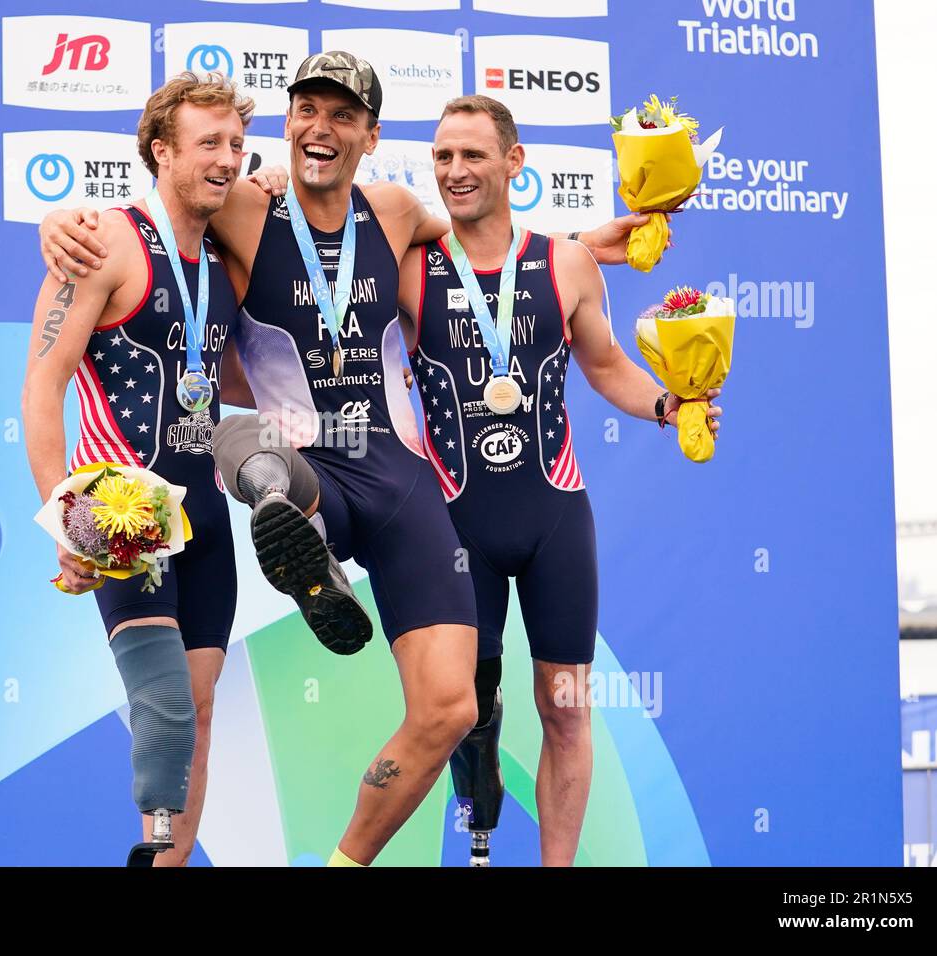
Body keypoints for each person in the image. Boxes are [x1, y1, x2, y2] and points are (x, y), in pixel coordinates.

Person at [38, 55, 659, 867]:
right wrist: (58, 222)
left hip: (396, 476)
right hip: (302, 462)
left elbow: (490, 247)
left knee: (450, 708)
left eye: (341, 116)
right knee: (244, 447)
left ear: (370, 135)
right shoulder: (240, 209)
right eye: (306, 111)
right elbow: (156, 211)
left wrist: (578, 243)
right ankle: (301, 546)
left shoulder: (399, 211)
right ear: (289, 124)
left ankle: (343, 861)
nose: (319, 128)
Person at [397, 95, 723, 866]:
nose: (455, 171)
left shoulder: (566, 261)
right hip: (453, 526)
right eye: (443, 157)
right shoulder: (409, 266)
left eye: (473, 154)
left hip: (554, 519)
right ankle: (478, 845)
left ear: (514, 162)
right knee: (462, 713)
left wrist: (670, 406)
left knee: (567, 708)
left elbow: (606, 363)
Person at [21, 72, 256, 866]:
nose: (227, 159)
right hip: (124, 505)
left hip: (209, 516)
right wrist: (66, 514)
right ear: (160, 151)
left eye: (235, 143)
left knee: (198, 705)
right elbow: (43, 383)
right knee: (164, 707)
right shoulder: (102, 239)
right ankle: (152, 850)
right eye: (208, 145)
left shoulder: (223, 252)